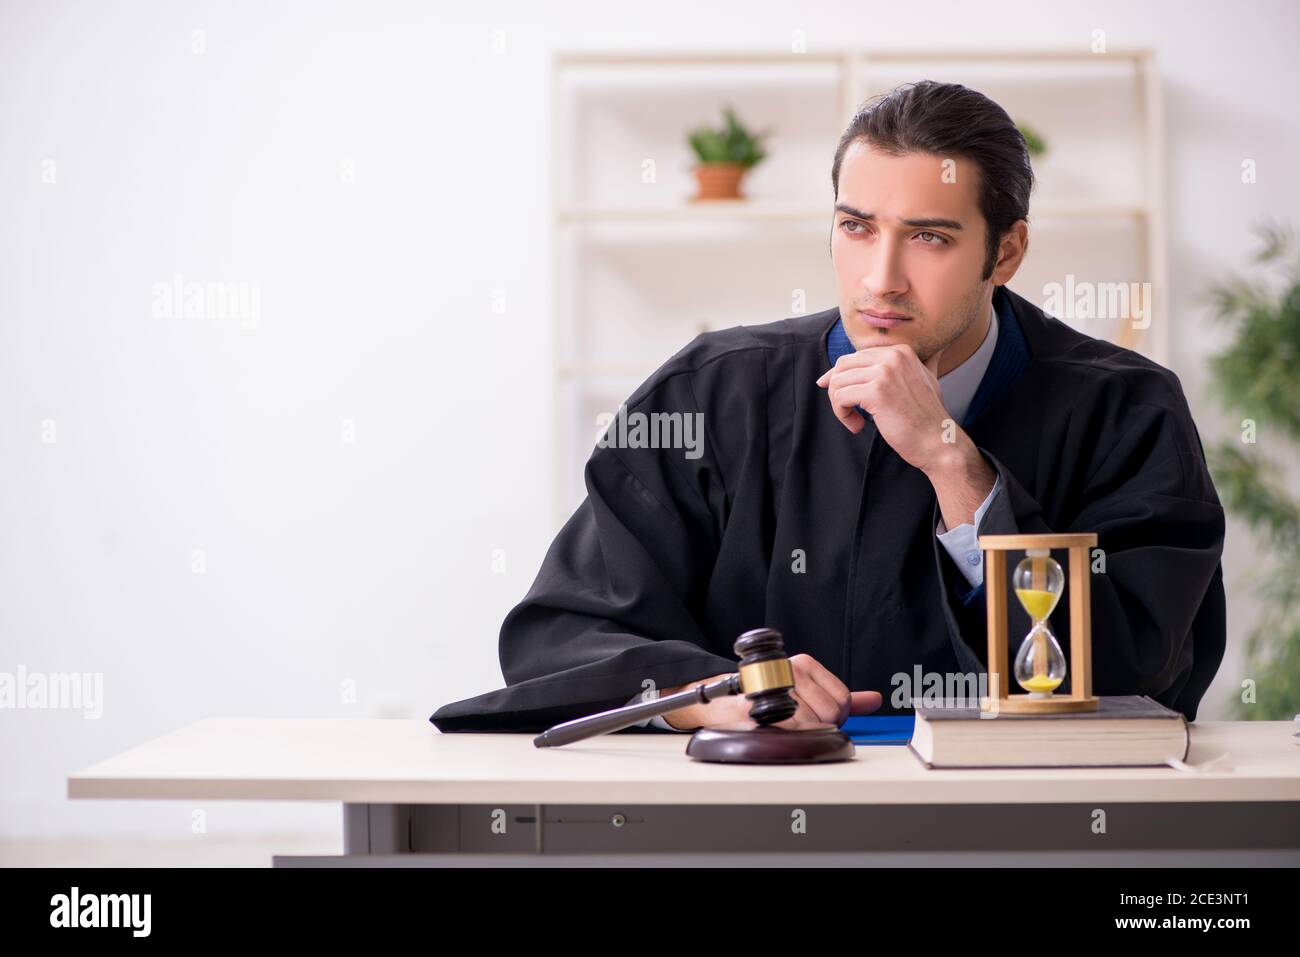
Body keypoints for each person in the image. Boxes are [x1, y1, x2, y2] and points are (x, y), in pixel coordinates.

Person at [430, 80, 1225, 735]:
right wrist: (706, 695)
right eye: (857, 227)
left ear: (1006, 251)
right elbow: (560, 634)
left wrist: (954, 463)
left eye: (930, 238)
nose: (881, 278)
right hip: (744, 830)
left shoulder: (1127, 410)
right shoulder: (710, 395)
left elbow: (1130, 679)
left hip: (1023, 831)